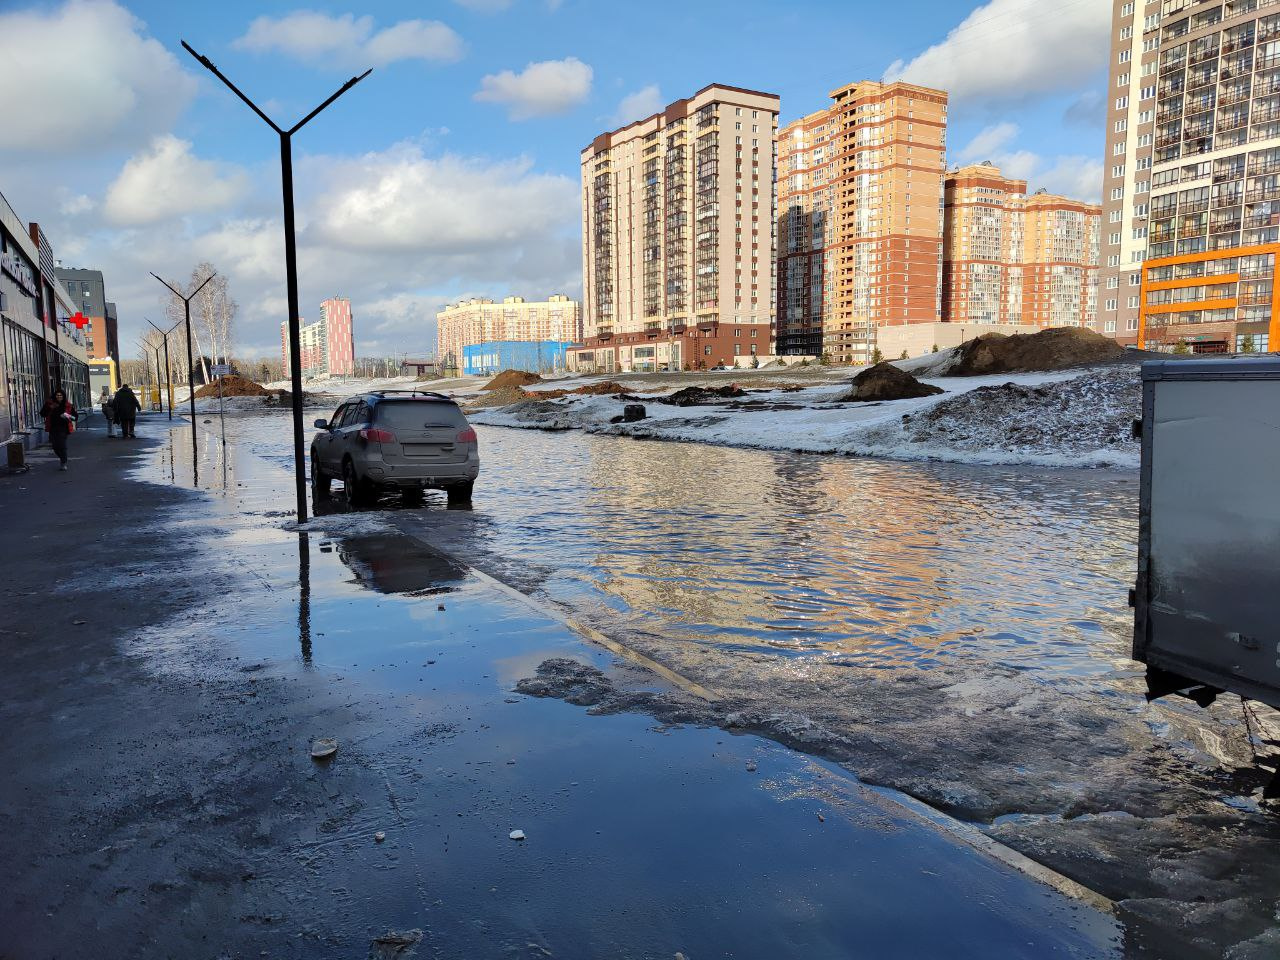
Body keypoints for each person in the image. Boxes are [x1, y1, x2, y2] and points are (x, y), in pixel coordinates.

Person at [41, 388, 78, 471]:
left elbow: (75, 417)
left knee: (62, 445)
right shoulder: (49, 404)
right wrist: (50, 407)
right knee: (55, 446)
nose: (59, 397)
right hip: (52, 428)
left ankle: (63, 462)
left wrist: (68, 416)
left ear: (63, 396)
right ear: (55, 396)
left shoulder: (68, 405)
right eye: (57, 395)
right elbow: (42, 413)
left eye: (60, 395)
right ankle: (62, 458)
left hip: (63, 428)